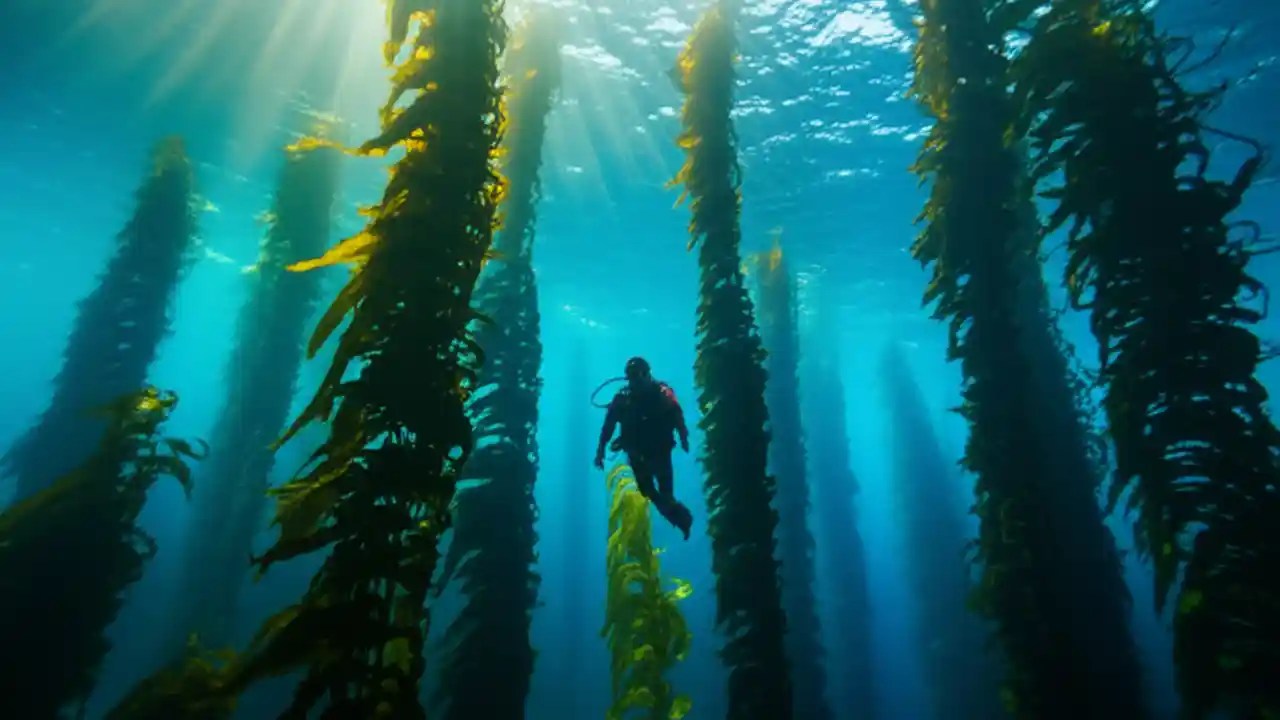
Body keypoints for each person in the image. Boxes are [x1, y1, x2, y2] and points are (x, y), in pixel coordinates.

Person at [595, 357, 695, 540]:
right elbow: (608, 426)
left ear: (649, 374)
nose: (637, 379)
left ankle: (684, 522)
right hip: (637, 453)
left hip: (659, 452)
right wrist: (600, 449)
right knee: (648, 492)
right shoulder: (622, 400)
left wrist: (683, 436)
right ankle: (682, 520)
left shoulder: (662, 393)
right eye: (633, 375)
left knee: (665, 495)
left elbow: (676, 412)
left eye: (641, 374)